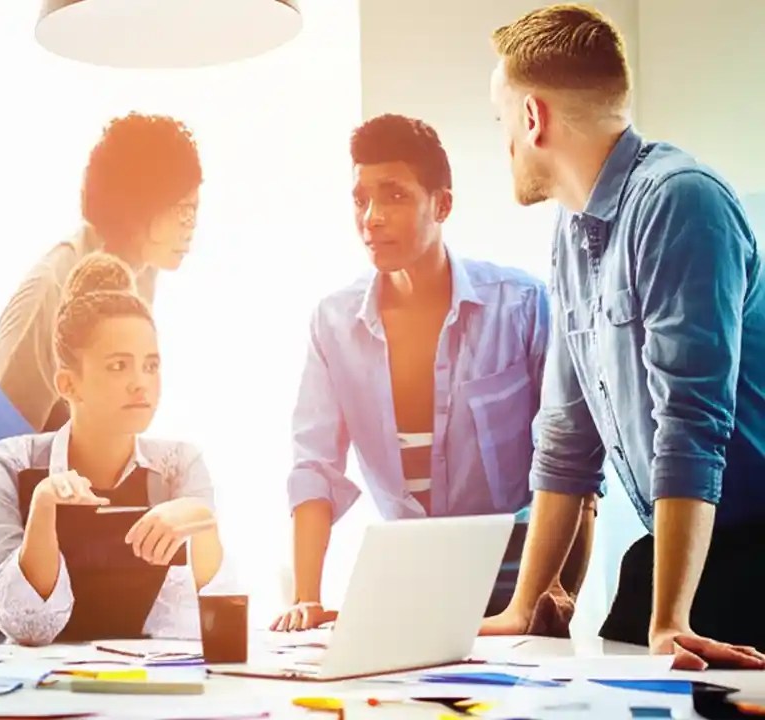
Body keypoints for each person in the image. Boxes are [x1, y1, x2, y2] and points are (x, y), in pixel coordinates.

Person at [481, 3, 765, 671]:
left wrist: (672, 623)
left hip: (753, 552)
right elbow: (566, 438)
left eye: (502, 122)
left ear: (532, 117)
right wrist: (525, 603)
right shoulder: (572, 233)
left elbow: (690, 422)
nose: (506, 144)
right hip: (688, 552)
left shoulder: (679, 200)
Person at [271, 114, 597, 633]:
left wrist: (559, 594)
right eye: (361, 199)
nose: (371, 217)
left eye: (394, 196)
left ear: (441, 204)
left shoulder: (522, 305)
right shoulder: (332, 323)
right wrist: (306, 598)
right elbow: (315, 468)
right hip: (406, 570)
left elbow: (574, 464)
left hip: (520, 569)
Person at [0, 112, 204, 623]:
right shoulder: (53, 286)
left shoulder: (139, 275)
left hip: (33, 508)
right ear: (138, 209)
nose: (191, 226)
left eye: (194, 210)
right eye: (181, 210)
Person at [0, 253, 223, 646]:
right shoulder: (4, 465)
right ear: (68, 385)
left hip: (136, 687)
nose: (141, 383)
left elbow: (201, 623)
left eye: (151, 366)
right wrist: (43, 508)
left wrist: (200, 519)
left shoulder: (180, 465)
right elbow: (27, 629)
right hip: (21, 692)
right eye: (119, 366)